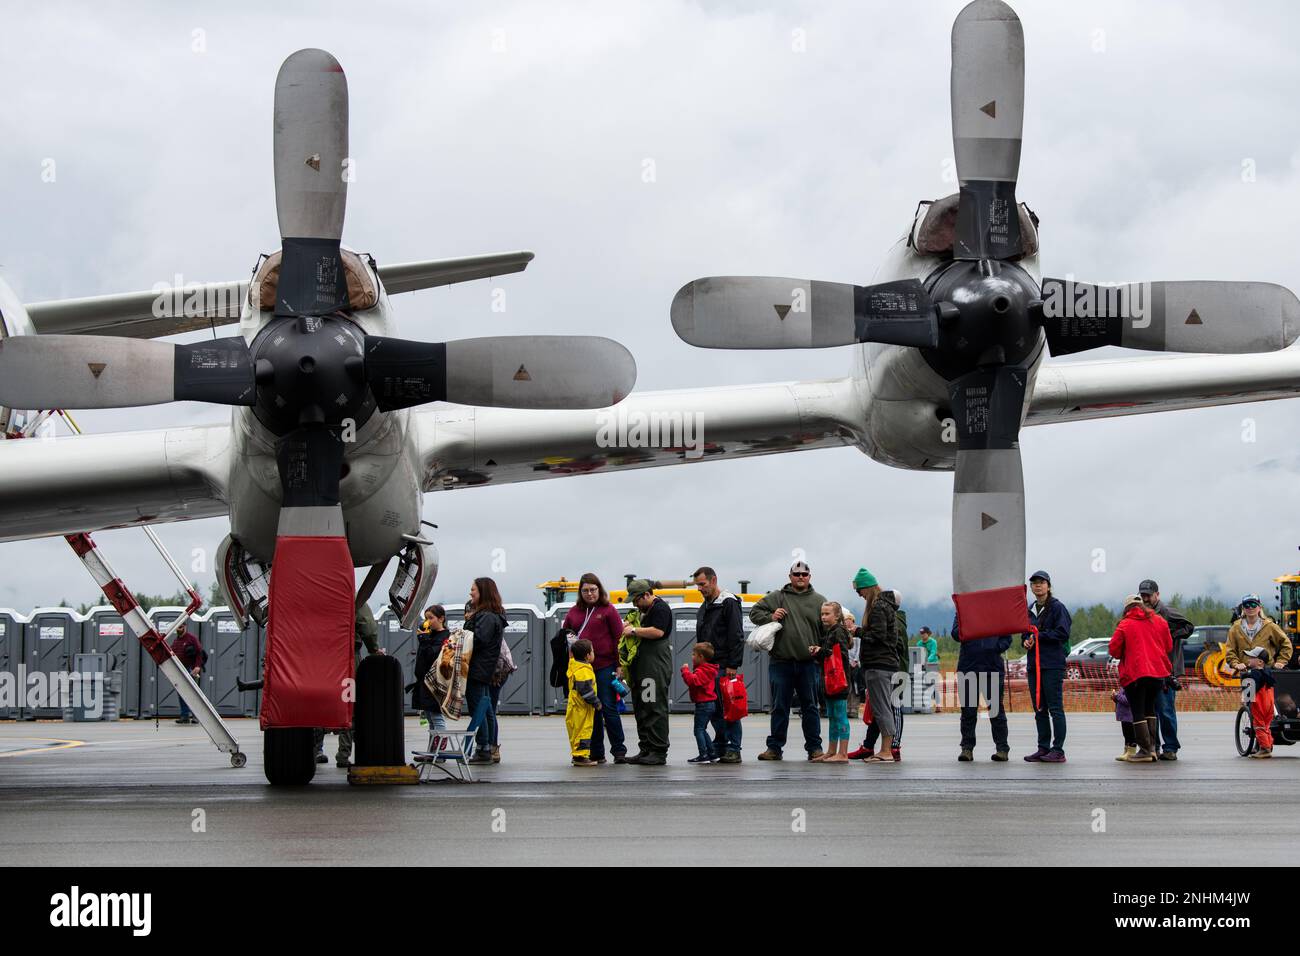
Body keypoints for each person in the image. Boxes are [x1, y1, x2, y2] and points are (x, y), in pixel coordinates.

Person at [749, 561, 826, 761]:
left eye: (804, 574)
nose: (801, 577)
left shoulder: (819, 601)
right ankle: (774, 748)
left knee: (810, 707)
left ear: (810, 576)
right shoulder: (777, 597)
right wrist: (771, 615)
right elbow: (754, 613)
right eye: (797, 574)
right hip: (780, 662)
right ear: (790, 576)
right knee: (779, 706)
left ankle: (814, 748)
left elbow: (827, 629)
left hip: (808, 663)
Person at [562, 573, 627, 764]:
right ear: (580, 592)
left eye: (593, 590)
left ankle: (619, 751)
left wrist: (619, 665)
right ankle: (596, 753)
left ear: (599, 590)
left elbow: (618, 639)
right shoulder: (574, 612)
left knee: (608, 707)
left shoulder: (608, 610)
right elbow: (566, 637)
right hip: (583, 671)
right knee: (591, 710)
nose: (589, 594)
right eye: (585, 590)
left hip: (605, 667)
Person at [1224, 594, 1293, 758]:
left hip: (1264, 673)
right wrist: (1235, 663)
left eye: (1253, 604)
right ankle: (1260, 742)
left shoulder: (1269, 626)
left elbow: (1286, 644)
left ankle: (1263, 743)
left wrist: (1281, 662)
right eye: (1246, 605)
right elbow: (1230, 651)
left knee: (1262, 708)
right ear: (1242, 608)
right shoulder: (1236, 628)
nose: (1250, 608)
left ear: (1259, 607)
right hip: (1247, 674)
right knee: (1251, 705)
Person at [1108, 594, 1172, 763]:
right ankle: (1152, 749)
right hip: (1158, 673)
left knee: (1138, 712)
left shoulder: (1125, 624)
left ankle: (1145, 750)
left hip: (1135, 674)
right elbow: (1169, 645)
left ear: (1126, 608)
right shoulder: (1159, 621)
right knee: (1150, 709)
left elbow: (1114, 650)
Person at [315, 605, 382, 767]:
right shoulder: (350, 594)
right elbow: (367, 626)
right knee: (349, 704)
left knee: (318, 704)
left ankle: (316, 750)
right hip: (347, 657)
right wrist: (373, 649)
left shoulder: (312, 591)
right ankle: (343, 756)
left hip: (318, 658)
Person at [693, 566, 744, 763]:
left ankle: (734, 748)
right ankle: (721, 744)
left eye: (702, 584)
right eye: (697, 585)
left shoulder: (728, 602)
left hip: (723, 665)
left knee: (728, 708)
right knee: (713, 708)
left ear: (713, 581)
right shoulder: (706, 606)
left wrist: (733, 664)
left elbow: (737, 635)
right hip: (708, 667)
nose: (699, 588)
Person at [1138, 579, 1194, 761]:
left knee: (1165, 710)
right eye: (1143, 595)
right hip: (1149, 670)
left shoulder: (1167, 612)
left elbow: (1189, 626)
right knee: (1150, 710)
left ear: (1157, 595)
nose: (1145, 598)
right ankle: (1153, 746)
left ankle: (1170, 748)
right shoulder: (1141, 613)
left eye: (1148, 595)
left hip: (1167, 671)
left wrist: (1170, 635)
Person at [623, 579, 674, 765]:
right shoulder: (645, 611)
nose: (635, 604)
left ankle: (658, 751)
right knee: (642, 708)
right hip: (643, 669)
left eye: (637, 600)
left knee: (654, 708)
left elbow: (658, 632)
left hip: (654, 669)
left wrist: (633, 630)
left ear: (647, 595)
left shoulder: (661, 609)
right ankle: (646, 749)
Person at [1024, 570, 1071, 763]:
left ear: (1048, 586)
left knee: (1055, 708)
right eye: (1034, 583)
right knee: (1039, 708)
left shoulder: (1057, 608)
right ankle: (1043, 748)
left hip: (1051, 665)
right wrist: (1025, 641)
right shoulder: (1029, 609)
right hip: (1033, 666)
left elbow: (1063, 633)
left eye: (1041, 582)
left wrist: (1039, 637)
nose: (1038, 585)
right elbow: (1024, 633)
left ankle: (1058, 750)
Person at [852, 570, 900, 763]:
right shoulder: (886, 605)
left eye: (860, 590)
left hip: (879, 664)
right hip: (885, 664)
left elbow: (878, 636)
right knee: (883, 707)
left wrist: (857, 631)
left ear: (868, 588)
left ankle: (886, 751)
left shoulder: (878, 607)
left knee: (881, 709)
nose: (859, 594)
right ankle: (885, 749)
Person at [952, 616, 1011, 762]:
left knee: (996, 711)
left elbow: (1007, 638)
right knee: (968, 711)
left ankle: (1002, 749)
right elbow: (955, 634)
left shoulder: (998, 613)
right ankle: (967, 748)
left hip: (993, 669)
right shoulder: (963, 610)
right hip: (968, 668)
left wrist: (995, 648)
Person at [464, 578, 506, 766]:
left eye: (473, 590)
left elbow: (478, 640)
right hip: (485, 668)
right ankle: (486, 747)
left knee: (478, 708)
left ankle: (483, 748)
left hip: (478, 669)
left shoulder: (486, 616)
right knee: (486, 707)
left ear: (483, 592)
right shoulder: (492, 614)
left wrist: (462, 636)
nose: (470, 593)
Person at [810, 602, 852, 763]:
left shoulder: (839, 632)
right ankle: (831, 750)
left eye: (827, 614)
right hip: (829, 679)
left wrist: (821, 651)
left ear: (837, 616)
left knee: (840, 715)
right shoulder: (829, 632)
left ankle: (843, 753)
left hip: (839, 680)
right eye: (822, 614)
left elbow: (840, 655)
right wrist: (818, 652)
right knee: (832, 715)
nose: (823, 617)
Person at [412, 604, 450, 734]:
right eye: (426, 618)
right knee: (429, 717)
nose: (427, 622)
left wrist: (424, 641)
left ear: (441, 619)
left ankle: (440, 747)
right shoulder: (429, 635)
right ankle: (433, 749)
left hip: (435, 683)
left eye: (431, 618)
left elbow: (433, 655)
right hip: (424, 681)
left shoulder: (445, 636)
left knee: (436, 716)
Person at [681, 642, 719, 763]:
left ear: (701, 657)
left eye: (693, 654)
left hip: (703, 704)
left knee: (698, 730)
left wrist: (685, 670)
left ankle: (703, 754)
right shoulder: (708, 669)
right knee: (702, 729)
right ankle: (712, 753)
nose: (692, 657)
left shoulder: (702, 671)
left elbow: (693, 681)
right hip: (710, 703)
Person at [566, 638, 602, 767]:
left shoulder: (574, 665)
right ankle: (580, 756)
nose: (594, 653)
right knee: (583, 731)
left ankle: (577, 754)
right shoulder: (584, 671)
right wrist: (596, 702)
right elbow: (586, 690)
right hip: (582, 708)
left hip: (575, 706)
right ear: (587, 655)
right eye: (592, 651)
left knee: (576, 731)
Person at [170, 628, 207, 726]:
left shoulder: (191, 638)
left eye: (181, 627)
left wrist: (198, 666)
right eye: (178, 627)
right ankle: (185, 715)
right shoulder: (176, 640)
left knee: (193, 693)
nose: (179, 629)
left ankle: (196, 716)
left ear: (185, 627)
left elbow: (199, 652)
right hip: (180, 670)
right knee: (182, 693)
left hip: (191, 669)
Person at [1111, 687, 1135, 762]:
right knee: (1126, 735)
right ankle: (1126, 751)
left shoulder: (1130, 687)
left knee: (1131, 735)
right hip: (1124, 717)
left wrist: (1117, 695)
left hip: (1129, 717)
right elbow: (1120, 700)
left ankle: (1131, 752)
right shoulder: (1123, 687)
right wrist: (1114, 698)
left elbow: (1127, 701)